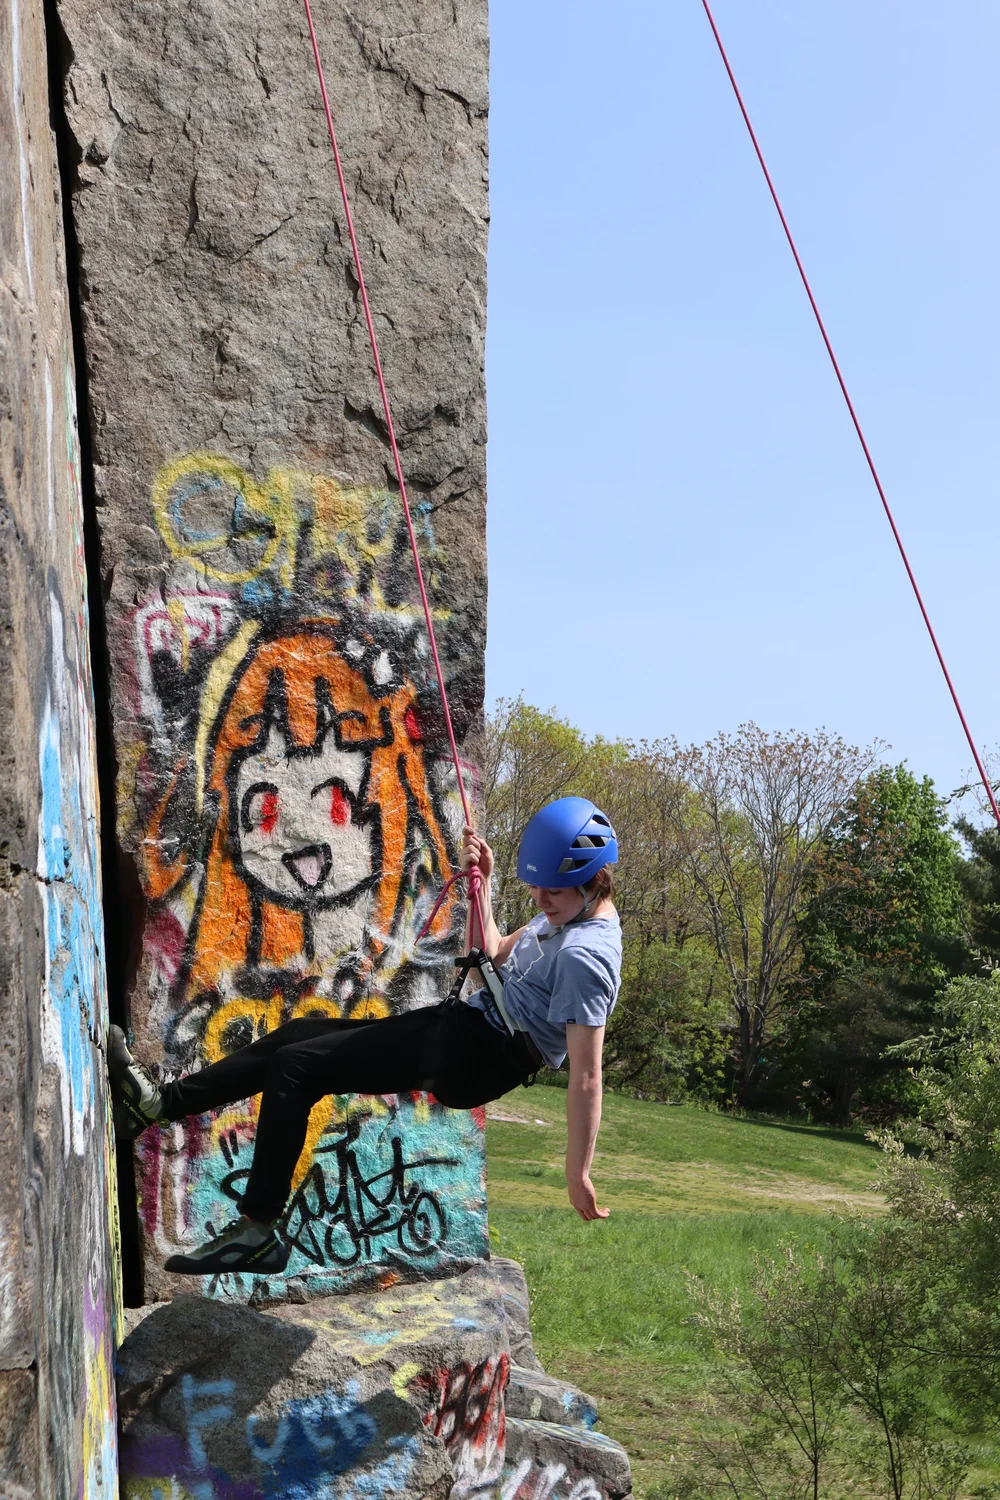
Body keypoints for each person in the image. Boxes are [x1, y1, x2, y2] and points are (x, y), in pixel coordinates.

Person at [109, 796, 622, 1275]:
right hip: (459, 1030)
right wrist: (483, 883)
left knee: (298, 1068)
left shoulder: (585, 958)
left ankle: (257, 1229)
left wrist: (577, 1173)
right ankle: (156, 1106)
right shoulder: (563, 914)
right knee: (301, 1035)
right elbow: (492, 948)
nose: (541, 897)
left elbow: (586, 1077)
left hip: (476, 1057)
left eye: (551, 890)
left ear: (594, 880)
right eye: (537, 887)